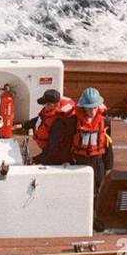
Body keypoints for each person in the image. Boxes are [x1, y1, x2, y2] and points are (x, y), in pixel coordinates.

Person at [41, 87, 112, 232]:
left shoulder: (105, 121)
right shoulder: (73, 121)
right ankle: (76, 218)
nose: (91, 111)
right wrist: (66, 159)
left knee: (96, 192)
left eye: (94, 107)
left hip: (97, 161)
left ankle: (93, 218)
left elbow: (108, 143)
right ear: (83, 107)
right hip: (79, 160)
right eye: (88, 108)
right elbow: (67, 143)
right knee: (78, 191)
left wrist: (108, 164)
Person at [18, 87, 75, 161]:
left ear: (56, 105)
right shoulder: (49, 110)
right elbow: (40, 119)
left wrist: (36, 159)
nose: (44, 105)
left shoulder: (58, 124)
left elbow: (53, 149)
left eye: (47, 104)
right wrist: (23, 125)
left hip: (56, 157)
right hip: (48, 151)